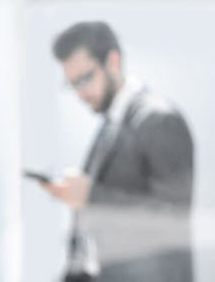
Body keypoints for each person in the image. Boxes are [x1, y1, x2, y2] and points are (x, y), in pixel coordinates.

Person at [42, 21, 195, 282]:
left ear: (112, 62)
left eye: (85, 79)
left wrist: (90, 195)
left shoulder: (159, 120)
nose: (80, 93)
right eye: (72, 85)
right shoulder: (111, 124)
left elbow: (173, 219)